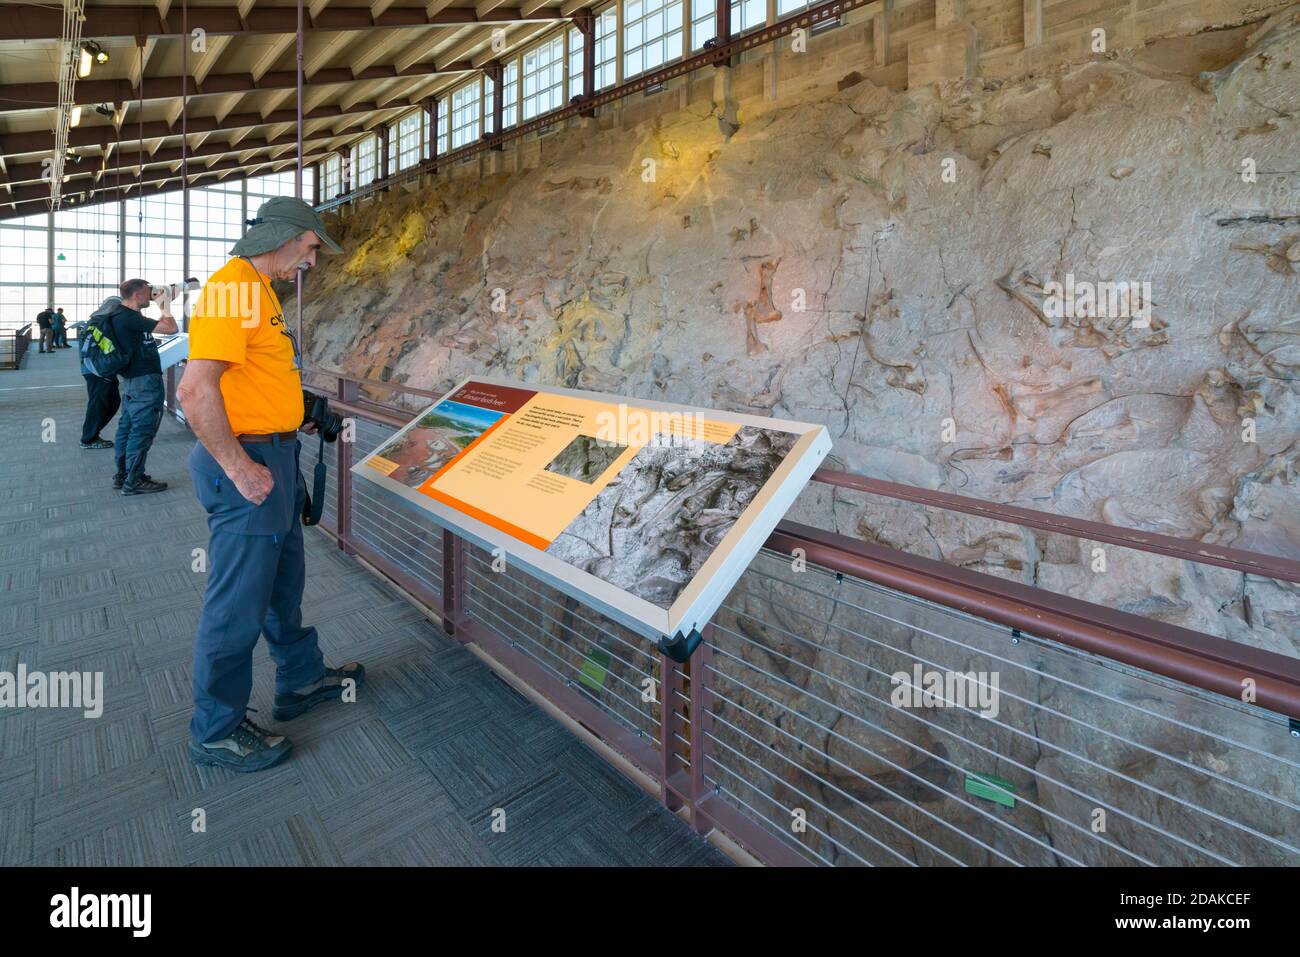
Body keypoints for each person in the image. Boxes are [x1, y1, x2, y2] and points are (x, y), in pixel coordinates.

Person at [177, 196, 363, 772]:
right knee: (237, 601)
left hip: (273, 454)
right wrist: (238, 467)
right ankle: (216, 729)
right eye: (309, 247)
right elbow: (194, 389)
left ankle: (300, 679)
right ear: (284, 235)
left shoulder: (259, 292)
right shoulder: (233, 288)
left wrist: (297, 409)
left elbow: (247, 376)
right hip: (248, 463)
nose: (311, 260)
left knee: (283, 582)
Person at [102, 279, 177, 494]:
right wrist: (166, 305)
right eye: (149, 292)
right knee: (141, 431)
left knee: (126, 429)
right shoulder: (129, 318)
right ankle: (134, 480)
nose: (152, 295)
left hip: (133, 382)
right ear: (137, 295)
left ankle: (123, 475)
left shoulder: (121, 316)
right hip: (144, 382)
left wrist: (162, 305)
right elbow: (172, 328)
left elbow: (161, 326)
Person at [79, 305, 120, 450]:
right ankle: (88, 439)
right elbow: (108, 348)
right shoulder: (102, 324)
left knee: (112, 401)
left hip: (94, 370)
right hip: (99, 371)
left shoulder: (94, 322)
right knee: (98, 405)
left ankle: (92, 434)